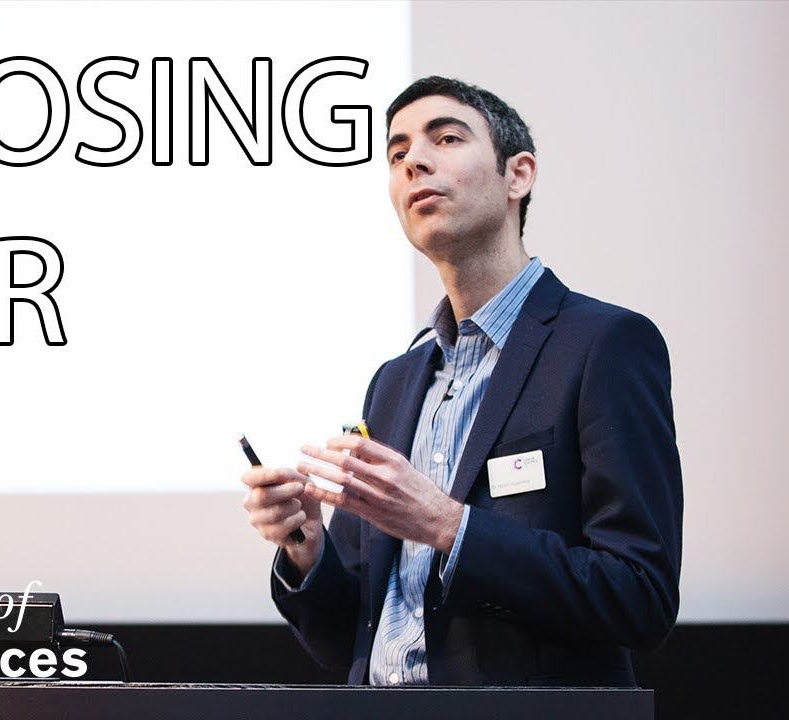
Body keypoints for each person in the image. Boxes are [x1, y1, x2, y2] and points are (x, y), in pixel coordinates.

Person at [240, 76, 683, 687]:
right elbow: (349, 641)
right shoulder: (395, 382)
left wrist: (448, 526)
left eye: (446, 138)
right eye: (397, 154)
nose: (413, 162)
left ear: (518, 176)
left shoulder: (603, 345)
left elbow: (639, 595)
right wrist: (307, 548)